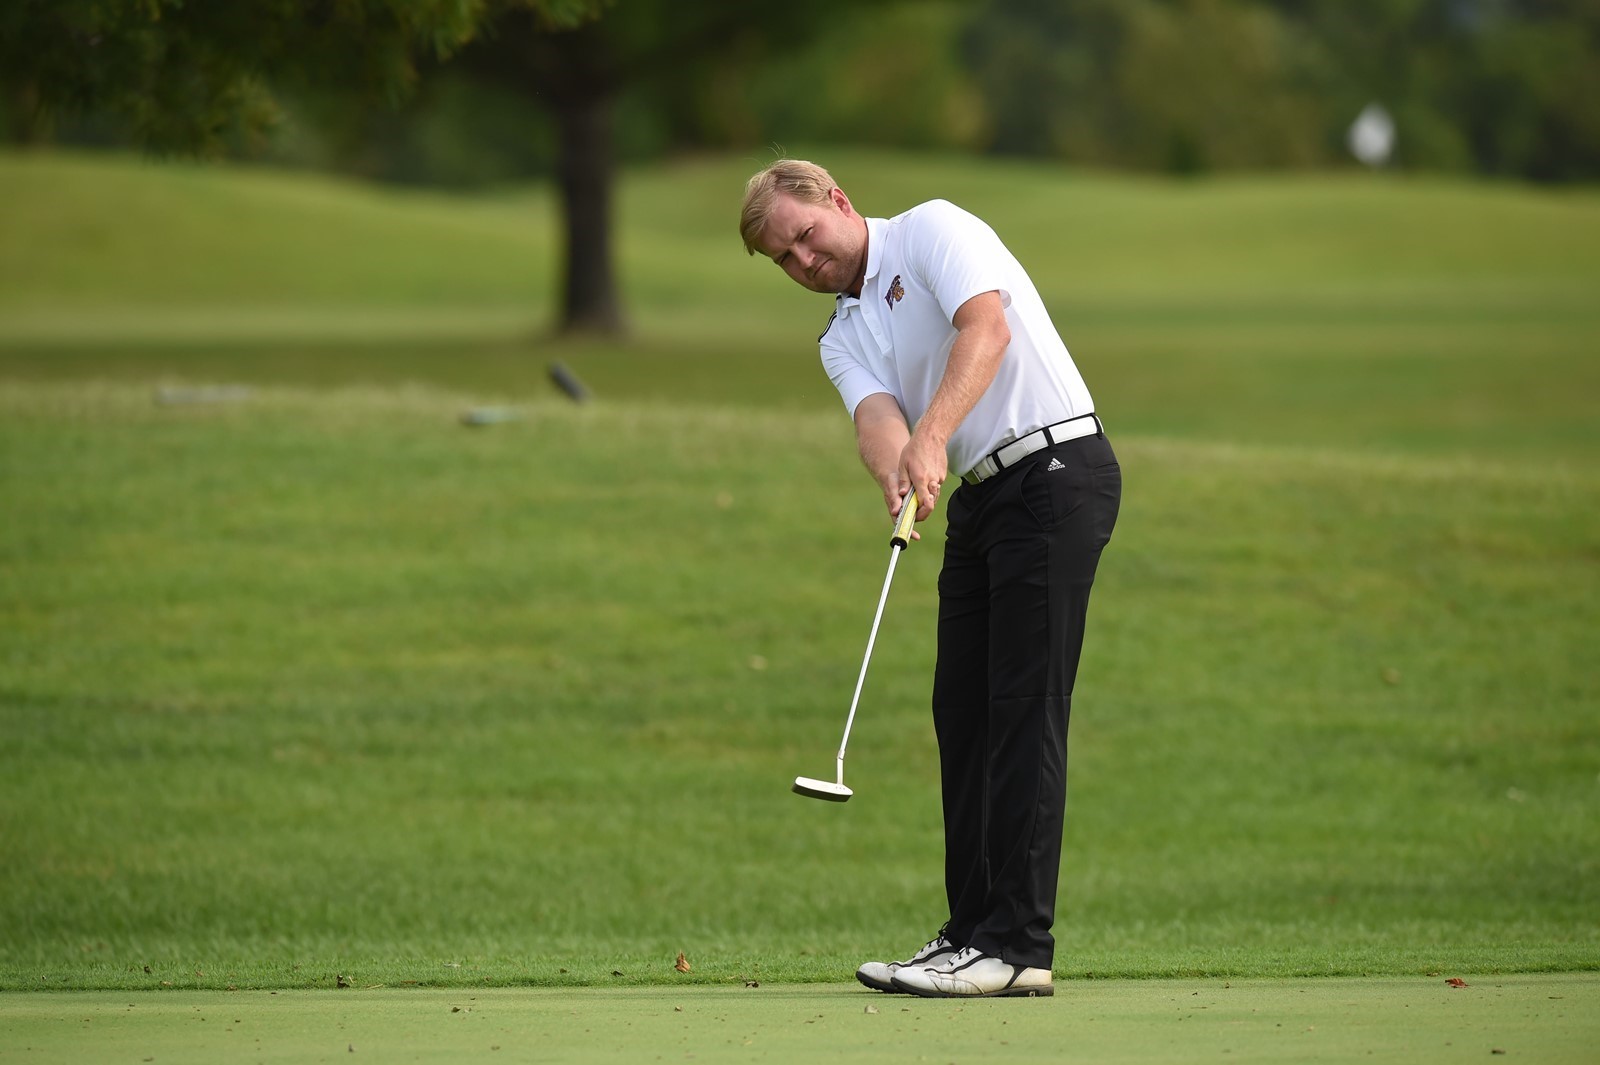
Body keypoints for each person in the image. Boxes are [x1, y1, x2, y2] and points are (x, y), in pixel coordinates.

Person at [739, 160, 1122, 999]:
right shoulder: (841, 331)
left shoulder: (932, 229)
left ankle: (1020, 944)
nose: (804, 262)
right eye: (785, 261)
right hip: (982, 501)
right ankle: (971, 932)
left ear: (836, 201)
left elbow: (987, 330)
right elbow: (877, 418)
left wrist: (933, 434)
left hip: (1054, 470)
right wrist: (895, 467)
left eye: (805, 237)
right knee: (964, 714)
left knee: (1022, 711)